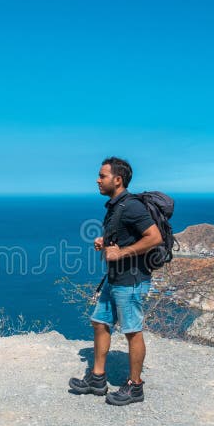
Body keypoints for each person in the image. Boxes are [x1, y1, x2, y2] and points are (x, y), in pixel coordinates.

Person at [69, 157, 162, 406]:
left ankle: (135, 387)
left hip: (130, 280)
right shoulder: (114, 206)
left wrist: (121, 253)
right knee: (99, 322)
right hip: (114, 278)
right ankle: (97, 378)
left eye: (103, 176)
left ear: (117, 180)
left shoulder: (132, 206)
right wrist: (105, 241)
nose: (98, 180)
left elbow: (154, 238)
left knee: (132, 332)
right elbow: (124, 236)